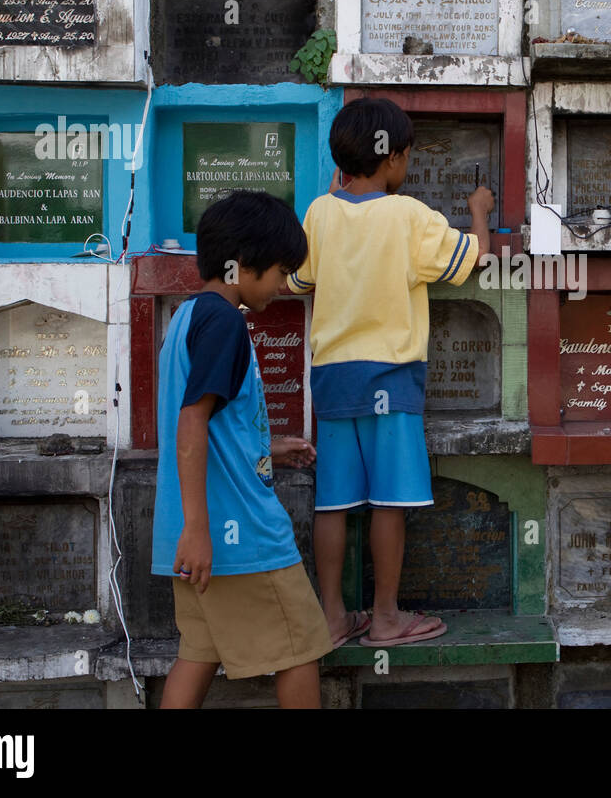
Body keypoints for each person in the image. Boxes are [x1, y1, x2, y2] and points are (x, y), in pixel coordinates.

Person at [287, 97, 494, 648]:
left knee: (333, 502)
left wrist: (335, 203)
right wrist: (480, 210)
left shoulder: (320, 212)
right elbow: (470, 257)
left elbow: (298, 282)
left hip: (332, 377)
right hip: (391, 378)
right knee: (389, 501)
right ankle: (384, 617)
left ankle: (332, 616)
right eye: (406, 155)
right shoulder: (410, 216)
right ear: (395, 159)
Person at [151, 189, 331, 708]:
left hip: (196, 536)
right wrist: (200, 529)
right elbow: (192, 420)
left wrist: (267, 449)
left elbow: (208, 427)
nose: (283, 285)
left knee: (199, 652)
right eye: (280, 271)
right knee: (301, 645)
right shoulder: (225, 322)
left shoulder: (187, 318)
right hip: (238, 535)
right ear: (244, 265)